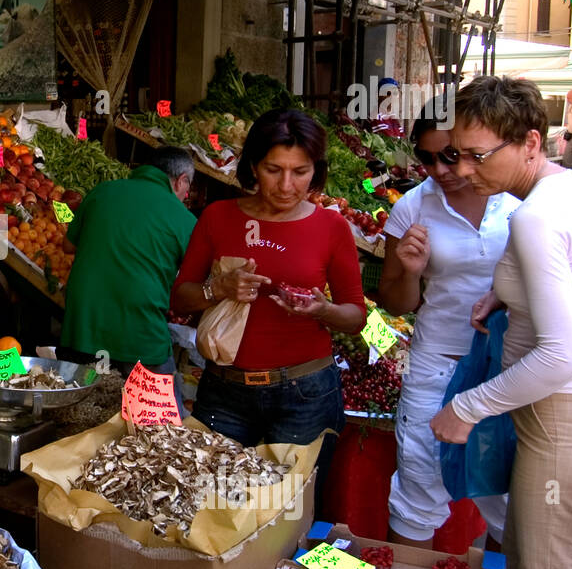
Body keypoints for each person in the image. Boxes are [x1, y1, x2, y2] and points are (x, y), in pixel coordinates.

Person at [430, 76, 572, 569]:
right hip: (570, 411)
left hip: (564, 415)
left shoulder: (535, 218)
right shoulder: (569, 189)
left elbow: (562, 356)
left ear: (531, 142)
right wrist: (506, 294)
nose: (464, 168)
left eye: (479, 156)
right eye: (457, 151)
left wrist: (467, 407)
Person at [170, 109, 366, 514]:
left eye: (301, 171)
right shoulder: (218, 217)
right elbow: (179, 299)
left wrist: (321, 309)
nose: (287, 185)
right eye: (274, 169)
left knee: (289, 512)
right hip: (224, 393)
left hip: (305, 394)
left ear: (317, 170)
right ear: (253, 167)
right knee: (212, 508)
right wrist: (217, 287)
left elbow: (355, 315)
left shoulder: (332, 227)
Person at [378, 94, 518, 551]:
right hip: (438, 361)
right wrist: (411, 270)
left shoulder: (515, 198)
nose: (439, 170)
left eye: (451, 156)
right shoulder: (413, 208)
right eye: (426, 157)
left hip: (510, 365)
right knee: (419, 483)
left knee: (510, 492)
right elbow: (396, 302)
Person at [59, 147, 196, 377]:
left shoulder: (102, 191)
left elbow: (68, 246)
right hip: (141, 339)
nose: (186, 196)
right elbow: (191, 284)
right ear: (181, 181)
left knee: (74, 401)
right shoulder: (184, 219)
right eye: (188, 188)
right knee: (166, 411)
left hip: (81, 330)